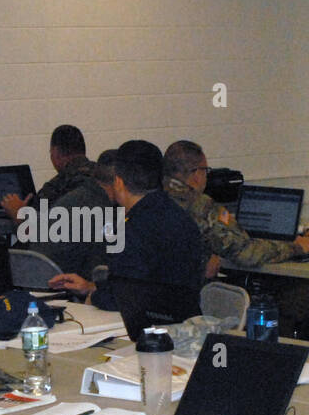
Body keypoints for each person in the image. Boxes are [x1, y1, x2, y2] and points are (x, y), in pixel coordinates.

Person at [49, 140, 204, 340]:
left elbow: (125, 298)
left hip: (152, 336)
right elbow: (146, 284)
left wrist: (94, 296)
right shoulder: (180, 217)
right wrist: (90, 286)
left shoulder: (131, 230)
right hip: (186, 329)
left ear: (119, 183)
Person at [163, 140, 309, 271]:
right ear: (196, 173)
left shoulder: (153, 195)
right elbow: (247, 254)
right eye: (206, 170)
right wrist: (296, 247)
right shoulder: (200, 205)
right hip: (187, 293)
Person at [24, 152, 117, 279]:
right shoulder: (103, 212)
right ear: (120, 182)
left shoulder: (74, 197)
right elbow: (101, 272)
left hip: (38, 281)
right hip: (65, 288)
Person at [1, 124, 97, 219]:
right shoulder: (104, 176)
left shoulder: (56, 187)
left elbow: (35, 228)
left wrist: (17, 212)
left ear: (56, 153)